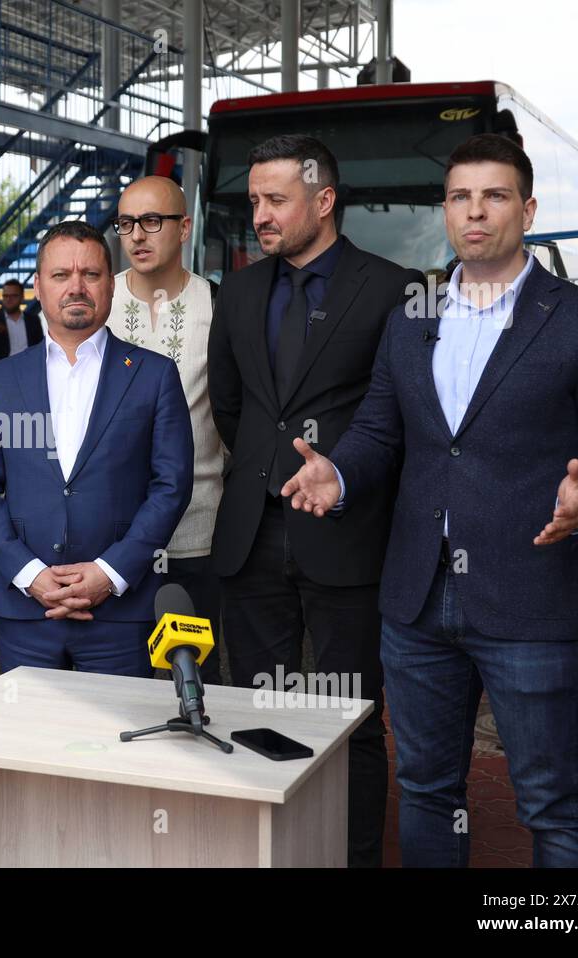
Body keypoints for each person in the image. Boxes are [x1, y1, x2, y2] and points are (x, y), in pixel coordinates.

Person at [282, 134, 578, 867]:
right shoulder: (413, 315)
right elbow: (381, 433)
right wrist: (341, 472)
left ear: (527, 209)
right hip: (418, 605)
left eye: (494, 195)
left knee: (551, 803)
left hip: (533, 598)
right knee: (424, 789)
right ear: (445, 210)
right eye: (460, 196)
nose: (475, 211)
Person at [206, 135, 422, 867]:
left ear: (323, 201)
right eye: (255, 202)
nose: (260, 216)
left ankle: (351, 858)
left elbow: (397, 415)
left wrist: (339, 471)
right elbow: (232, 409)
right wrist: (270, 471)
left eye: (276, 201)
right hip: (251, 536)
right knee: (258, 710)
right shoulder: (236, 291)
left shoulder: (393, 289)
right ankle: (277, 853)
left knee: (351, 718)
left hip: (349, 534)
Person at [0, 221, 193, 676]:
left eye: (90, 274)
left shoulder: (154, 374)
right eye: (60, 275)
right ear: (38, 286)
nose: (76, 287)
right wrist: (29, 574)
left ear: (111, 284)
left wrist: (110, 573)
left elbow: (171, 485)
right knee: (27, 745)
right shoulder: (0, 379)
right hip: (27, 611)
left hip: (121, 612)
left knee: (117, 745)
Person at [108, 175, 227, 685]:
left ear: (184, 228)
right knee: (117, 678)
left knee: (194, 675)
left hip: (198, 529)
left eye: (152, 221)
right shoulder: (97, 303)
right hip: (110, 534)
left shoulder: (220, 305)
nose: (137, 235)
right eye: (127, 223)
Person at [0, 279, 43, 361]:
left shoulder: (33, 321)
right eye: (5, 296)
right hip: (4, 368)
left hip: (29, 366)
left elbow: (40, 347)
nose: (9, 299)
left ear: (22, 297)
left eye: (14, 296)